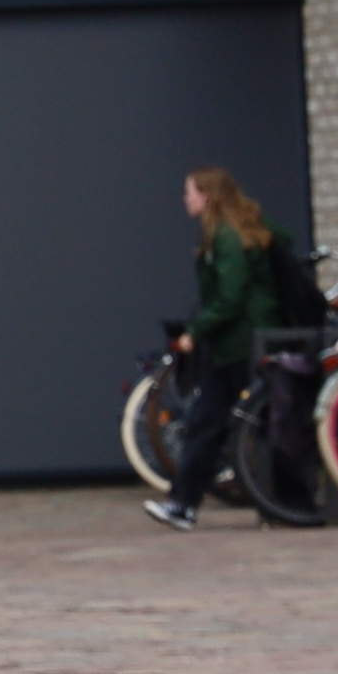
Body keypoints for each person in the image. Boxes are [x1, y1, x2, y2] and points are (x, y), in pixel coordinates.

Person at [147, 166, 275, 530]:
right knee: (210, 423)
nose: (185, 198)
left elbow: (230, 297)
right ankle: (183, 505)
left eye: (190, 191)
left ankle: (186, 505)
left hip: (240, 345)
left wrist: (197, 331)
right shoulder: (223, 234)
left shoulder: (226, 238)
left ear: (207, 196)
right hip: (232, 346)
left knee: (217, 423)